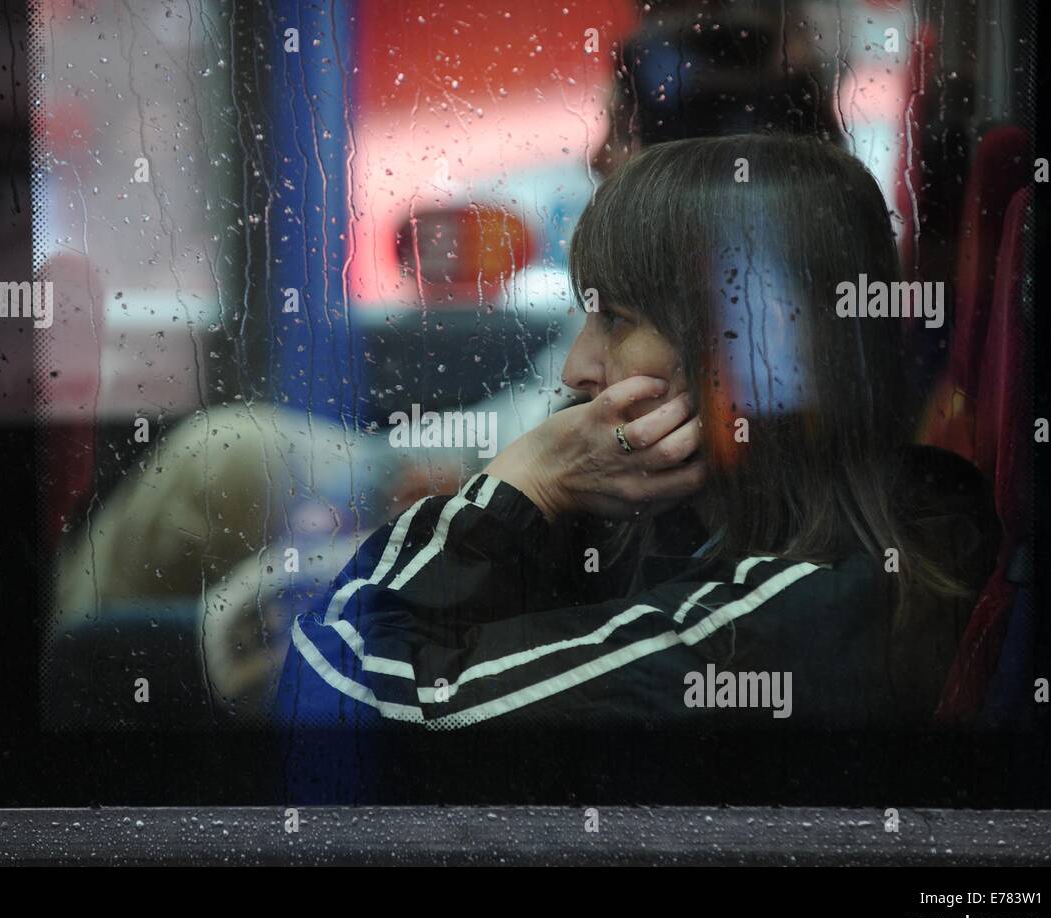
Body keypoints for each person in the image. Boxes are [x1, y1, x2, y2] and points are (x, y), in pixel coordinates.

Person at [274, 135, 998, 745]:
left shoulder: (784, 620)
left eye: (615, 320)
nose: (576, 368)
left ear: (757, 352)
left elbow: (332, 704)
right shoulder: (692, 521)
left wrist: (521, 484)